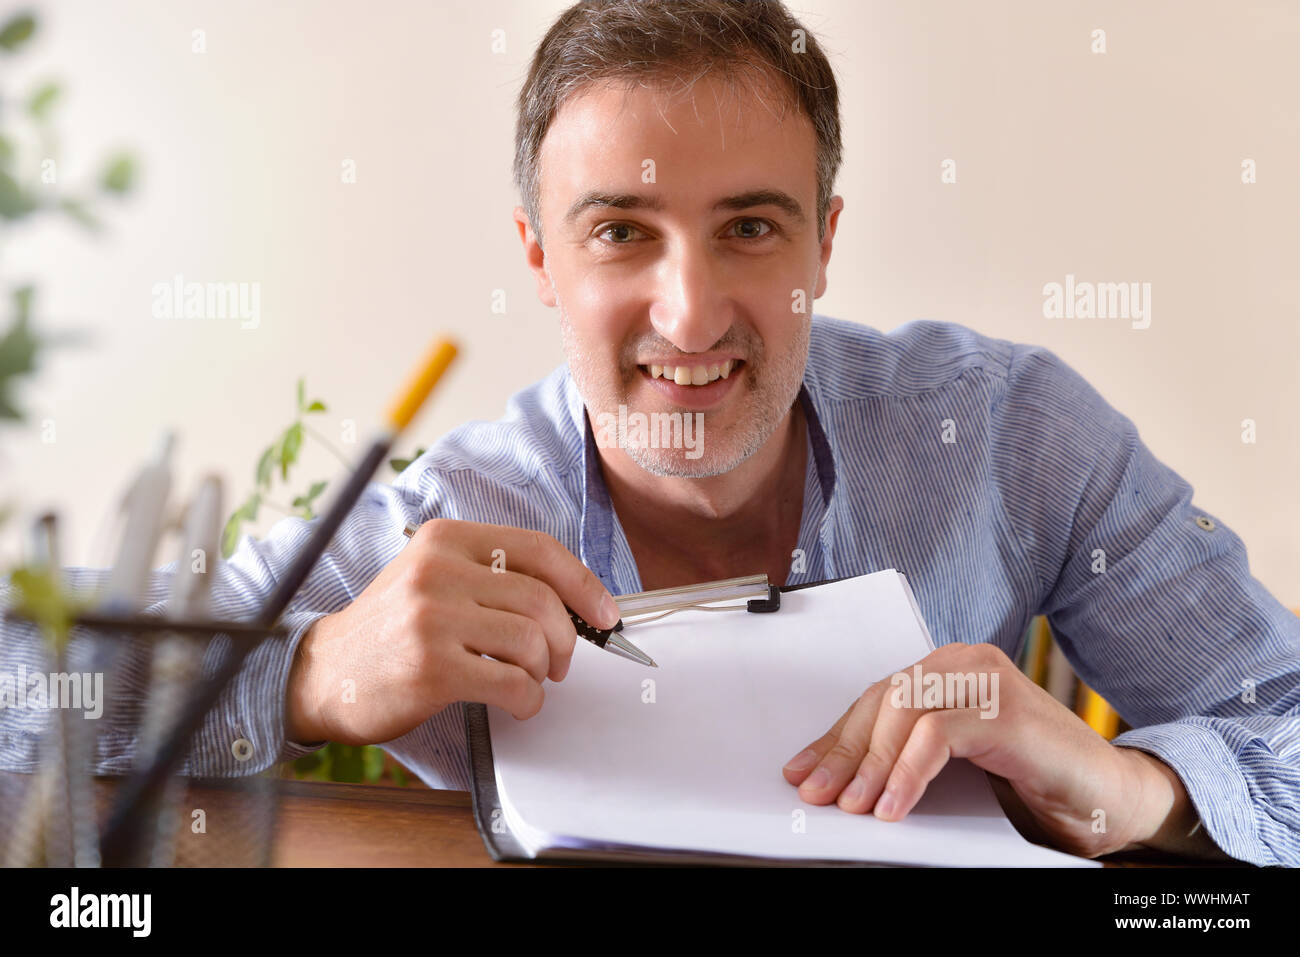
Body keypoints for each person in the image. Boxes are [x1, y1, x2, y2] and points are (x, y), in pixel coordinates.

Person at [3, 0, 1297, 866]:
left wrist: (1115, 787)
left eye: (750, 227)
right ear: (541, 258)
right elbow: (22, 692)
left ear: (824, 244)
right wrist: (309, 670)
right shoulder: (442, 510)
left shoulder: (1015, 434)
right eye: (621, 230)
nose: (689, 316)